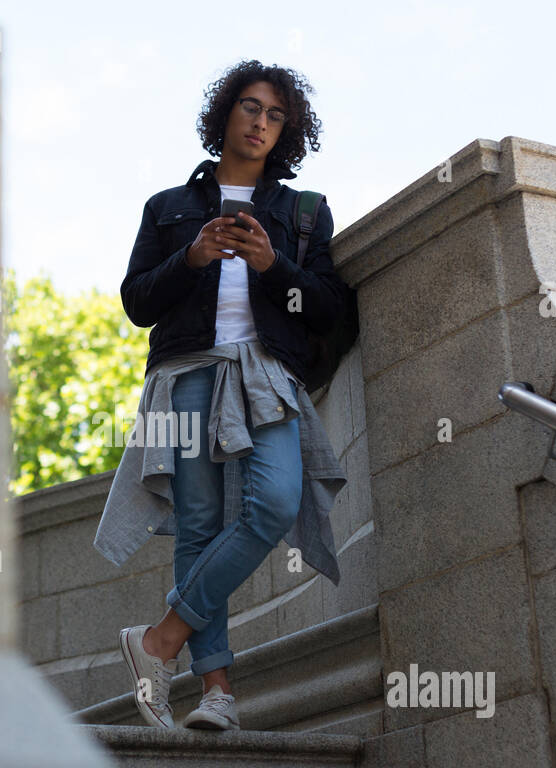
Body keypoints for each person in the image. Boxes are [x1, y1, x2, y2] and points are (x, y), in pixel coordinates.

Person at [93, 60, 352, 732]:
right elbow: (136, 303)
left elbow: (326, 309)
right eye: (249, 107)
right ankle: (216, 695)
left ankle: (160, 640)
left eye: (274, 114)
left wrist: (274, 266)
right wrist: (192, 259)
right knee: (200, 525)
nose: (260, 122)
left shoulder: (303, 212)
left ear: (285, 129)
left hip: (265, 373)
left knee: (272, 500)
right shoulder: (168, 208)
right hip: (185, 372)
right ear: (225, 115)